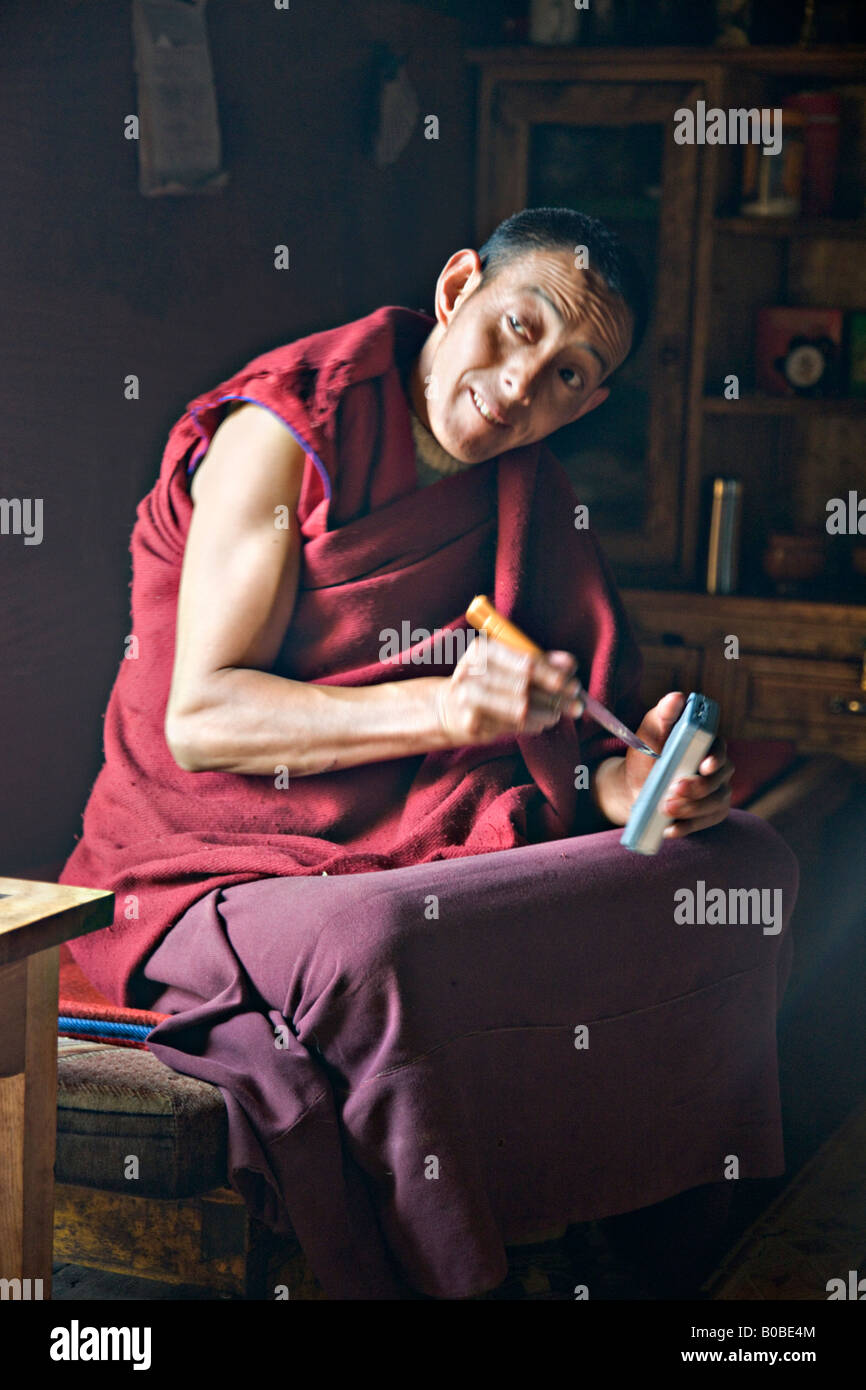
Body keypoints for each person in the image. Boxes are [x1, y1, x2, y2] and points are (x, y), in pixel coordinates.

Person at [60, 208, 798, 1300]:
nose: (517, 385)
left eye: (565, 375)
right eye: (516, 327)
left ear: (588, 404)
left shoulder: (527, 486)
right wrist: (444, 714)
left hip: (425, 835)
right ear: (457, 288)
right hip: (201, 862)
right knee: (382, 942)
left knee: (742, 865)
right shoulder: (285, 428)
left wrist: (636, 785)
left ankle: (663, 1261)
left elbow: (556, 744)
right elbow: (204, 718)